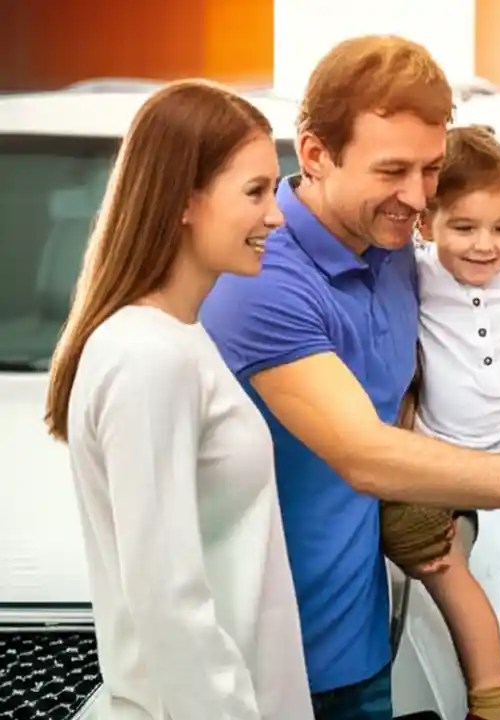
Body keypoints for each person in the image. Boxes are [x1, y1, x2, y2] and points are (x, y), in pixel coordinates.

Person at [198, 35, 500, 718]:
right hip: (264, 667)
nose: (416, 198)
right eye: (392, 170)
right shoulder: (262, 275)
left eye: (430, 170)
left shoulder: (401, 254)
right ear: (315, 153)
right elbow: (362, 453)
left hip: (367, 642)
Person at [44, 79, 311, 718]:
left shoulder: (178, 339)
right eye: (254, 192)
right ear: (184, 202)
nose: (275, 215)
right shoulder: (149, 358)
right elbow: (166, 599)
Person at [380, 124, 500, 720]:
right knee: (439, 564)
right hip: (438, 459)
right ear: (425, 224)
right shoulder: (414, 274)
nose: (485, 246)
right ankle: (491, 703)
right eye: (463, 228)